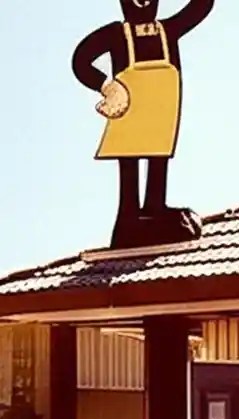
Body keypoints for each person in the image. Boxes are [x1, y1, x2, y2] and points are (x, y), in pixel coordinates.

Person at [72, 0, 215, 249]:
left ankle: (154, 208)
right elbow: (81, 60)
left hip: (162, 112)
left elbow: (199, 7)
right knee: (130, 162)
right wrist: (105, 85)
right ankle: (128, 218)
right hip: (130, 109)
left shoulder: (168, 30)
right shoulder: (116, 34)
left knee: (158, 159)